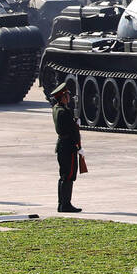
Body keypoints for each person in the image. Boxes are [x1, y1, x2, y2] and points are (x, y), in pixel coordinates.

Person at [52, 82, 82, 213]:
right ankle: (65, 204)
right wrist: (78, 145)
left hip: (63, 146)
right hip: (68, 146)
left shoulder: (57, 109)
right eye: (67, 95)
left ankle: (62, 204)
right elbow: (71, 130)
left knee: (64, 175)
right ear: (63, 97)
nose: (69, 97)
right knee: (69, 175)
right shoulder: (63, 112)